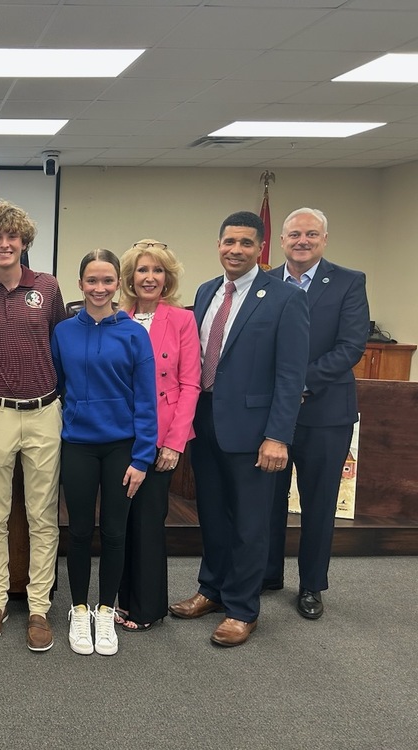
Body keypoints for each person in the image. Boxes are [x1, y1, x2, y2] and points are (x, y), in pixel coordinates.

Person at [169, 211, 309, 647]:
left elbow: (291, 376)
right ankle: (212, 590)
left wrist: (278, 436)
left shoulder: (285, 298)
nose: (236, 250)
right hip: (206, 420)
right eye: (229, 241)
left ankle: (243, 609)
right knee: (211, 514)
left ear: (260, 249)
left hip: (254, 431)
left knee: (250, 523)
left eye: (246, 243)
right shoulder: (207, 290)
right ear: (218, 244)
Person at [51, 249, 158, 657]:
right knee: (78, 532)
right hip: (77, 444)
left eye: (107, 281)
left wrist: (142, 457)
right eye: (91, 281)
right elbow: (58, 387)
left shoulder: (134, 334)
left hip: (122, 448)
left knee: (115, 532)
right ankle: (79, 609)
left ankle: (105, 609)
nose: (99, 288)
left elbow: (147, 401)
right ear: (80, 284)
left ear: (119, 284)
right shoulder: (63, 332)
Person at [0, 202, 64, 652]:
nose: (4, 245)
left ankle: (39, 607)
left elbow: (61, 345)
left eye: (12, 238)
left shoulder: (47, 287)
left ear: (24, 242)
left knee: (42, 516)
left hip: (44, 412)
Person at [264, 208, 369, 620]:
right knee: (267, 500)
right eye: (294, 234)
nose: (301, 240)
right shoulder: (266, 281)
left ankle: (311, 585)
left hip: (325, 412)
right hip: (272, 415)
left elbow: (351, 346)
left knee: (319, 503)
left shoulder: (349, 281)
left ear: (324, 239)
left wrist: (297, 383)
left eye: (310, 234)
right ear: (283, 240)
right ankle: (268, 574)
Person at [115, 240, 201, 632]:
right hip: (120, 435)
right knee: (121, 521)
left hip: (161, 437)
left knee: (149, 521)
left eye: (158, 271)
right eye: (142, 270)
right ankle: (121, 600)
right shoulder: (117, 318)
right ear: (130, 278)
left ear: (167, 278)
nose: (149, 277)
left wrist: (173, 443)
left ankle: (147, 607)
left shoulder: (182, 320)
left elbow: (190, 385)